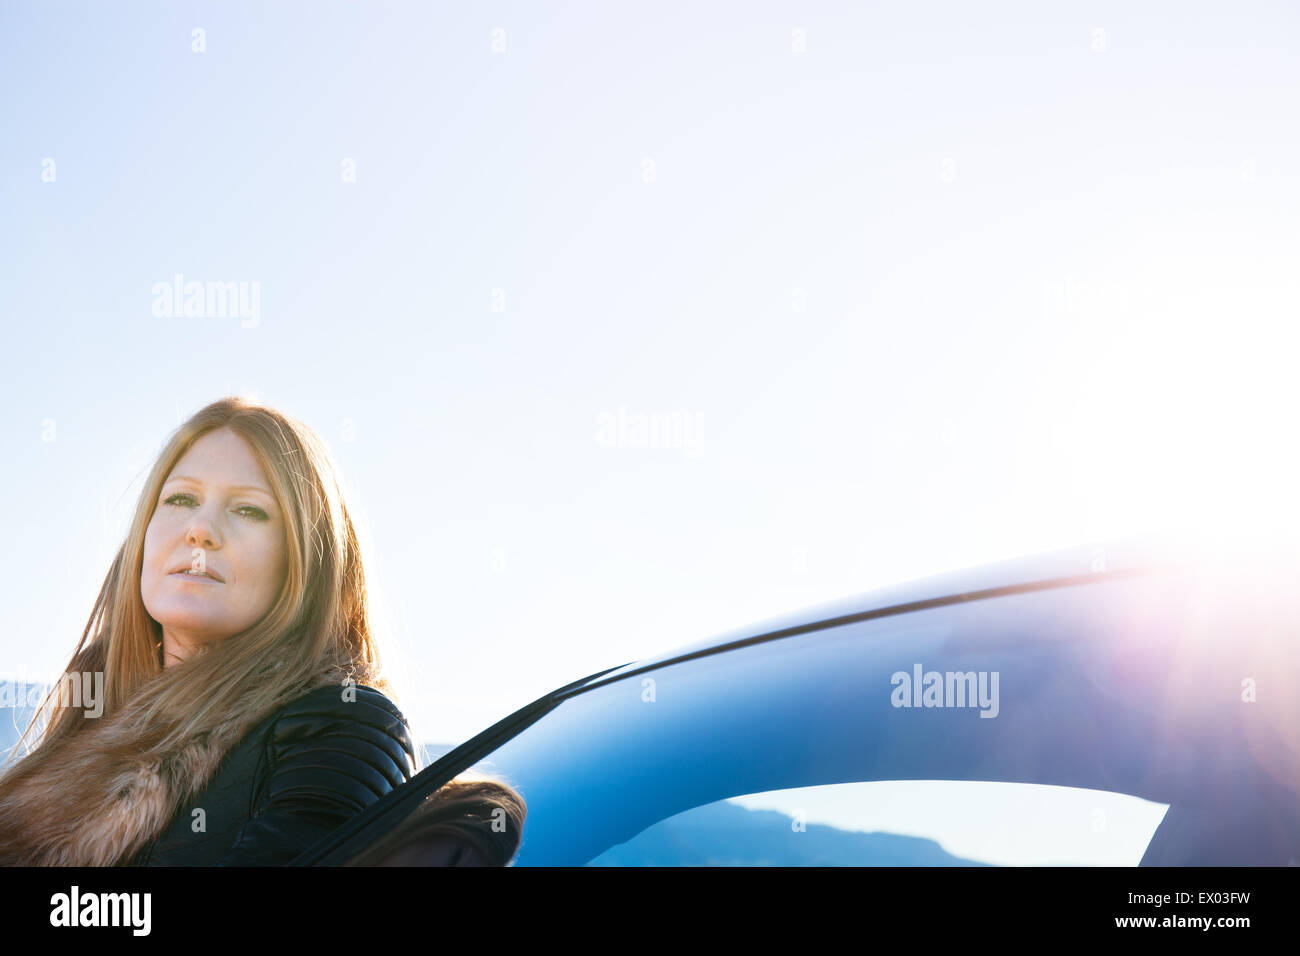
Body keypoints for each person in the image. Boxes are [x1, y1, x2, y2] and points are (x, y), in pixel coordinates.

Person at [0, 396, 417, 866]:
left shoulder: (344, 723)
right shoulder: (73, 733)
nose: (200, 529)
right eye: (180, 498)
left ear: (307, 564)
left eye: (249, 510)